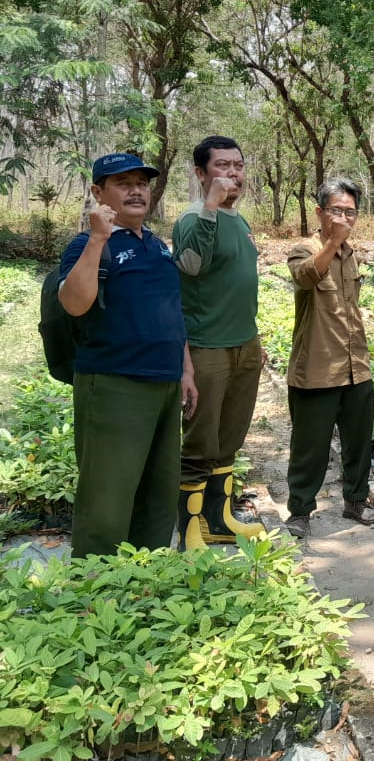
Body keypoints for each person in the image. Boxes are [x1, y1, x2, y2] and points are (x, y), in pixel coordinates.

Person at [57, 152, 198, 557]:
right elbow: (73, 303)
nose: (136, 190)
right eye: (123, 183)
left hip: (165, 384)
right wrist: (100, 237)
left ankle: (144, 581)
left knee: (158, 492)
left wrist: (185, 369)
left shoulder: (155, 244)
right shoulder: (86, 245)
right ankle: (95, 588)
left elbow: (172, 311)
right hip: (115, 385)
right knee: (107, 497)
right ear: (98, 192)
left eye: (142, 182)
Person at [172, 135, 266, 550]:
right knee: (200, 440)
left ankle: (219, 520)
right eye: (222, 166)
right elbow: (191, 266)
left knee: (229, 437)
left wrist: (255, 340)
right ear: (200, 173)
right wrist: (210, 206)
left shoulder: (240, 221)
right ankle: (190, 530)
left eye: (238, 166)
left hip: (244, 344)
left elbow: (238, 286)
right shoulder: (193, 218)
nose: (233, 174)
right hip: (207, 348)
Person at [283, 177, 374, 537]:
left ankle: (356, 502)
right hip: (316, 369)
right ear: (320, 212)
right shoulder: (303, 249)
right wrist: (335, 241)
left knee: (359, 442)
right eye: (337, 210)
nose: (344, 218)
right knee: (310, 446)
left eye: (351, 212)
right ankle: (299, 511)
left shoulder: (350, 253)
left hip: (356, 365)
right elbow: (307, 277)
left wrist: (342, 242)